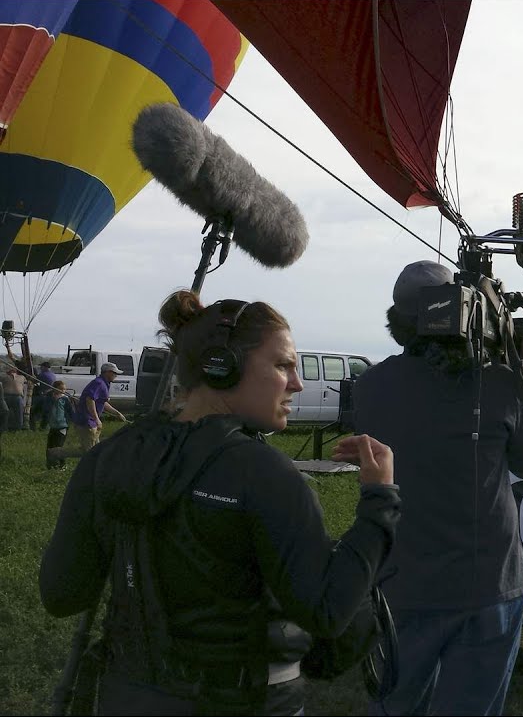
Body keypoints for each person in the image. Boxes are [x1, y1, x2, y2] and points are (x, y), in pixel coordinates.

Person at [40, 290, 402, 715]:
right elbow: (326, 611)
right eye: (282, 365)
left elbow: (62, 595)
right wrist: (379, 501)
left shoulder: (108, 458)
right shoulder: (266, 474)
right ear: (222, 366)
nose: (297, 382)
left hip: (127, 695)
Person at [356, 260, 523, 717]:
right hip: (488, 586)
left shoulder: (370, 387)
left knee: (395, 705)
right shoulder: (500, 384)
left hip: (401, 583)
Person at [47, 362, 128, 463]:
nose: (116, 375)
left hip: (91, 421)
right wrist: (96, 419)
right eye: (114, 373)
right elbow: (90, 399)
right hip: (86, 421)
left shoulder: (103, 383)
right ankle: (55, 453)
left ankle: (96, 468)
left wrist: (117, 413)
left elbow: (102, 402)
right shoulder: (99, 383)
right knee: (88, 452)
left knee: (95, 450)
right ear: (107, 372)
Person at [44, 380, 73, 470]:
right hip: (53, 426)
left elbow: (71, 412)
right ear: (54, 388)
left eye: (64, 389)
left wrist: (75, 421)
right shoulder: (50, 398)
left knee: (58, 446)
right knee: (50, 446)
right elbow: (46, 408)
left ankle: (62, 465)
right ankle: (50, 465)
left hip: (62, 426)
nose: (63, 391)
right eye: (61, 389)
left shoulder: (65, 399)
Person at [32, 360, 57, 431]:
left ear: (45, 367)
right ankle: (43, 427)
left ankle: (35, 426)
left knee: (35, 411)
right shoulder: (53, 374)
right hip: (51, 395)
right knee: (47, 412)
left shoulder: (43, 374)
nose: (40, 368)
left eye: (41, 367)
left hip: (44, 396)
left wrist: (31, 376)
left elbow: (34, 380)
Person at [2, 365, 26, 431]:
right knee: (5, 412)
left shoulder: (22, 377)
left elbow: (29, 381)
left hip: (17, 397)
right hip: (6, 396)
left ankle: (18, 428)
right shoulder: (4, 377)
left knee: (19, 413)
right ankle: (4, 427)